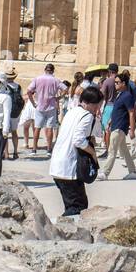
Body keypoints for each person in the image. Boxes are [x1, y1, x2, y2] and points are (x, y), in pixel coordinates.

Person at [49, 85, 102, 216]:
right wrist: (92, 153)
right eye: (96, 106)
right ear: (88, 103)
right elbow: (78, 140)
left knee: (72, 205)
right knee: (78, 207)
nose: (97, 109)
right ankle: (67, 233)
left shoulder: (72, 112)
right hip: (68, 168)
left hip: (58, 165)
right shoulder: (87, 116)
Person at [100, 70, 136, 180]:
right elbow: (118, 110)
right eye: (115, 82)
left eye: (117, 82)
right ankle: (133, 172)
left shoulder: (127, 96)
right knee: (125, 151)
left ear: (124, 83)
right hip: (116, 125)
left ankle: (105, 173)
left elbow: (131, 113)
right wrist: (110, 121)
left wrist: (132, 130)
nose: (115, 84)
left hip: (119, 127)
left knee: (112, 151)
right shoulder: (120, 95)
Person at [28, 63, 63, 156]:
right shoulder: (56, 80)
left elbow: (28, 91)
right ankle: (48, 149)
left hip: (39, 106)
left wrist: (33, 102)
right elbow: (66, 89)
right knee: (50, 128)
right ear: (53, 70)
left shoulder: (37, 78)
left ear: (45, 70)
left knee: (37, 128)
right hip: (51, 106)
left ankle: (34, 149)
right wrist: (59, 97)